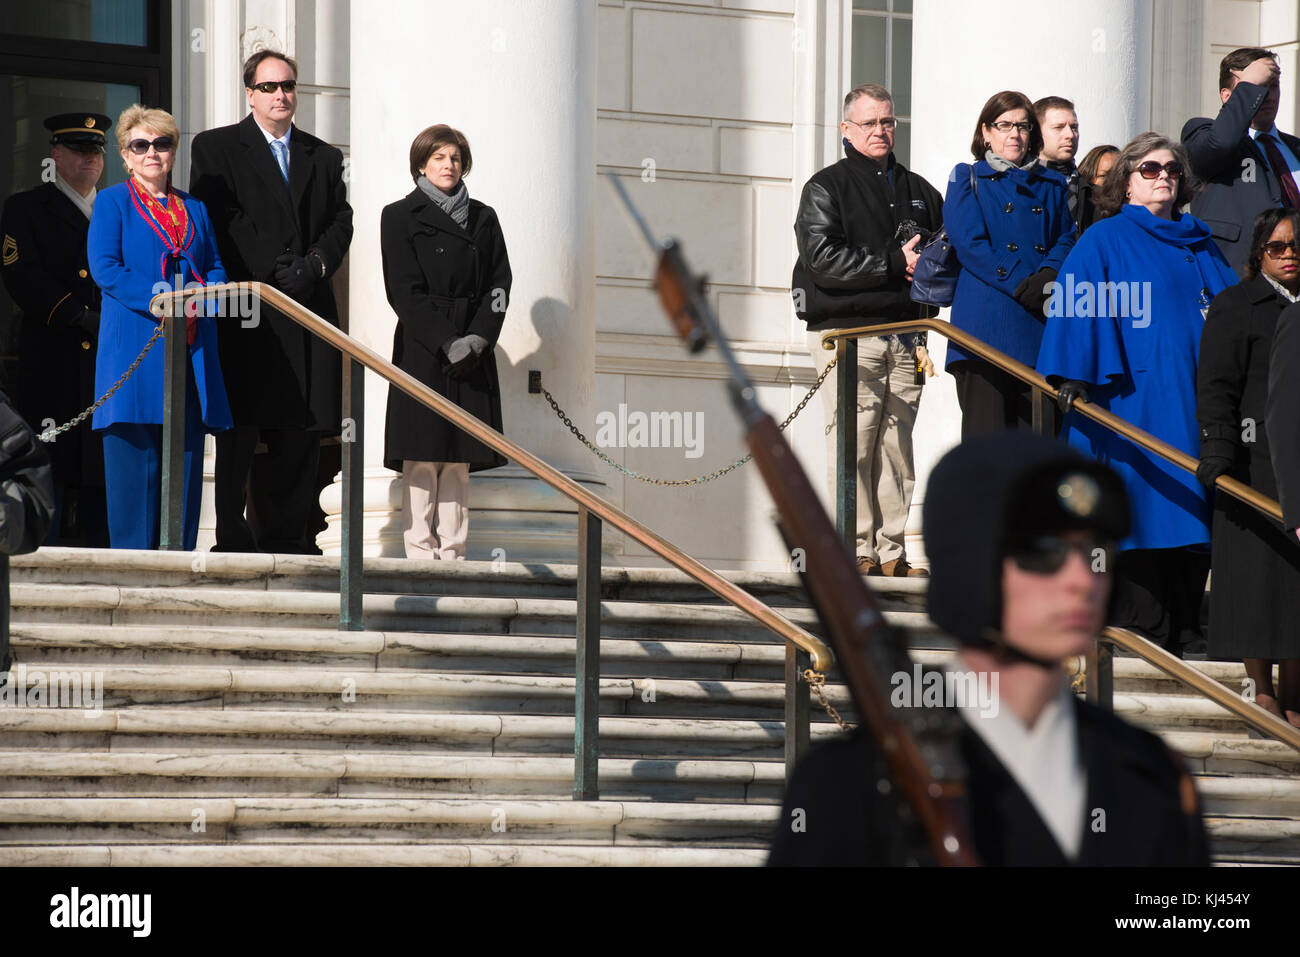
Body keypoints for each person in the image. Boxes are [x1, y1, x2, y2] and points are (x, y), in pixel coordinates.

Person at [768, 431, 1208, 866]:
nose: (1082, 578)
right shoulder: (849, 785)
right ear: (970, 569)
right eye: (1044, 552)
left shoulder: (1152, 775)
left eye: (1095, 550)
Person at [1037, 132, 1237, 658]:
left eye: (1172, 169)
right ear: (1126, 182)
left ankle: (1188, 623)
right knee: (1148, 508)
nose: (1164, 176)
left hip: (1199, 401)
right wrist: (1073, 375)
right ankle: (1144, 627)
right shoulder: (1105, 240)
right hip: (1135, 402)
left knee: (1197, 507)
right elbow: (1076, 307)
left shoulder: (1201, 241)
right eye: (1149, 169)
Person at [189, 49, 354, 554]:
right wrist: (276, 267)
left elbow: (340, 219)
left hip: (307, 308)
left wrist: (313, 267)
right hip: (248, 309)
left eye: (287, 86)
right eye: (269, 87)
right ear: (250, 94)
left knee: (299, 424)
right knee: (241, 425)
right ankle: (233, 537)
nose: (280, 95)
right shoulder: (217, 147)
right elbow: (219, 212)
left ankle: (289, 536)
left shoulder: (322, 155)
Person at [792, 83, 943, 578]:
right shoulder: (825, 186)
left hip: (906, 333)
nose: (881, 131)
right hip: (847, 335)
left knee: (898, 445)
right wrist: (893, 261)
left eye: (887, 122)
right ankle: (855, 549)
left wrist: (928, 268)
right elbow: (822, 260)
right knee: (853, 441)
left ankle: (893, 551)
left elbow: (945, 254)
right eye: (870, 123)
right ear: (845, 129)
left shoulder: (920, 190)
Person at [87, 105, 232, 550]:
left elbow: (214, 264)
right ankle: (132, 573)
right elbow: (105, 267)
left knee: (184, 469)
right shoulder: (112, 201)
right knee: (134, 473)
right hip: (135, 350)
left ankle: (180, 562)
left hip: (189, 354)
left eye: (162, 144)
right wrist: (159, 296)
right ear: (126, 156)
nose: (152, 153)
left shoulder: (195, 207)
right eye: (140, 145)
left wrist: (210, 291)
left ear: (173, 152)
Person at [380, 126, 511, 560]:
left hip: (473, 348)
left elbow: (499, 284)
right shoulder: (398, 216)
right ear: (421, 163)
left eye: (454, 158)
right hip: (424, 345)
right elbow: (402, 291)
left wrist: (478, 337)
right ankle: (419, 548)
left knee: (459, 452)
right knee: (421, 451)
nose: (448, 166)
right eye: (438, 158)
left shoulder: (485, 217)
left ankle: (454, 549)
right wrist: (446, 341)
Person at [1197, 209, 1300, 726]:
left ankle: (1296, 692)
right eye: (1276, 247)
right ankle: (1261, 686)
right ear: (1258, 251)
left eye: (1296, 245)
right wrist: (1218, 449)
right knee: (1257, 580)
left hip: (1297, 466)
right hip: (1251, 464)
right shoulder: (1236, 304)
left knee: (1296, 586)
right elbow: (1216, 383)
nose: (1288, 255)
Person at [0, 113, 111, 547]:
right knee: (53, 464)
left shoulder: (118, 207)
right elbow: (22, 275)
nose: (90, 160)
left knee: (102, 472)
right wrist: (79, 316)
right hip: (54, 358)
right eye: (80, 151)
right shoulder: (26, 208)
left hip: (107, 363)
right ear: (56, 154)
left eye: (96, 151)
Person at [944, 91, 1076, 437]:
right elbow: (969, 243)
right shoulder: (967, 179)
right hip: (986, 328)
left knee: (1037, 447)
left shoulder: (1053, 183)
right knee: (987, 447)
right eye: (1004, 125)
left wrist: (1048, 274)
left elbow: (1066, 236)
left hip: (1039, 321)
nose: (1014, 134)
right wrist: (1020, 281)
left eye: (1022, 126)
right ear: (986, 132)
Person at [1183, 47, 1300, 277]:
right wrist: (1248, 85)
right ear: (1228, 96)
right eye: (1257, 86)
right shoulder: (1201, 133)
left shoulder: (1294, 148)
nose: (1266, 94)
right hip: (1238, 282)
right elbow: (1220, 144)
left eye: (1272, 85)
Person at [1033, 95, 1095, 233]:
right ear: (1036, 133)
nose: (1070, 135)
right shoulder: (1021, 186)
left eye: (1074, 127)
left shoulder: (1091, 191)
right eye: (1058, 127)